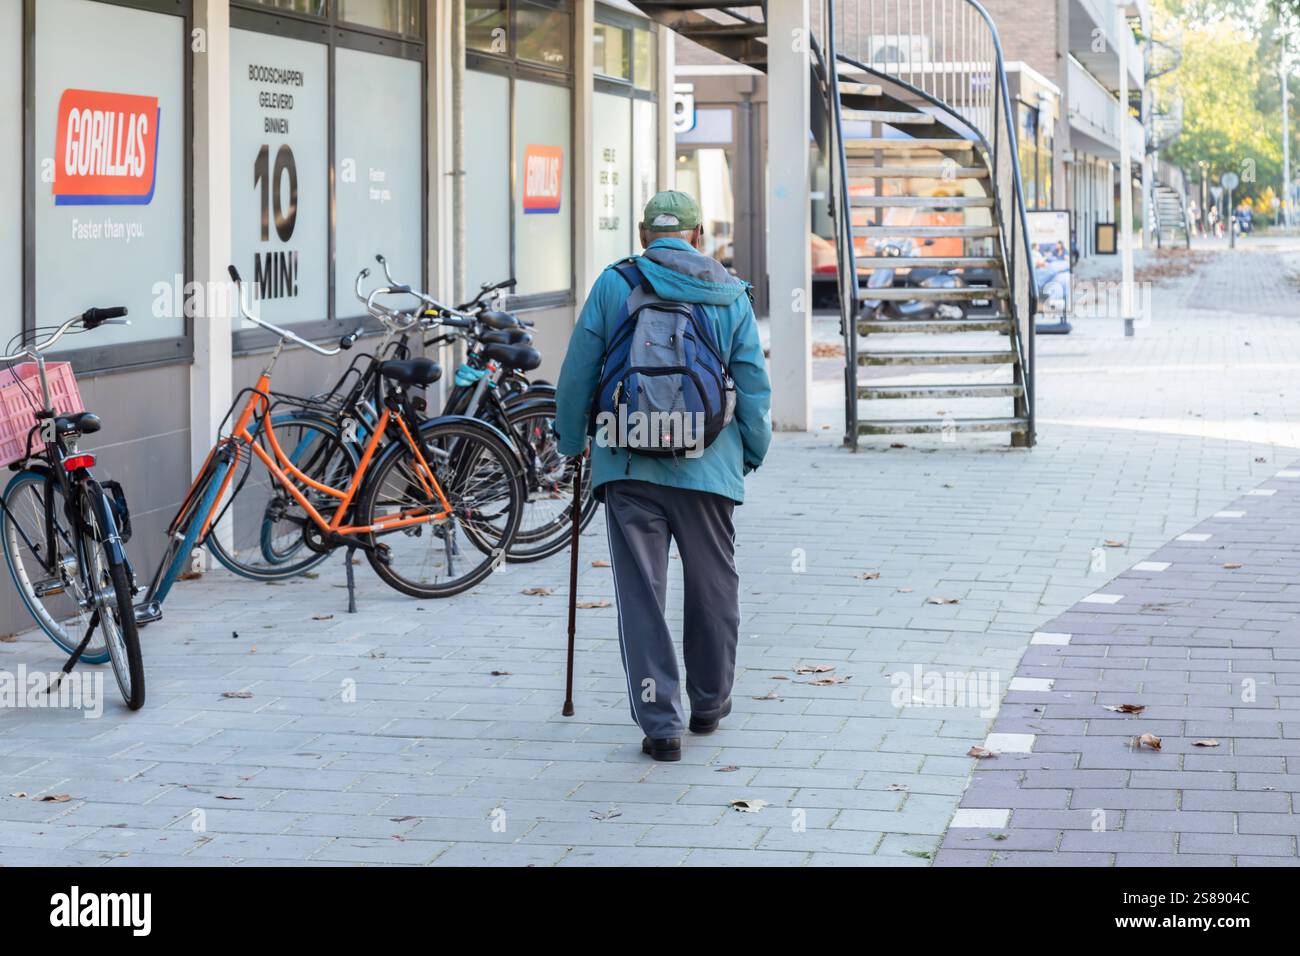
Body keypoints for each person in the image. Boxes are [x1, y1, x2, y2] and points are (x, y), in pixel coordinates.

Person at [554, 190, 772, 762]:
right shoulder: (729, 292)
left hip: (628, 464)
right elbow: (752, 384)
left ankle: (661, 725)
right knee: (713, 585)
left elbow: (579, 369)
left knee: (642, 595)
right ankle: (708, 703)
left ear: (644, 234)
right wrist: (750, 451)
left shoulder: (613, 283)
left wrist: (572, 442)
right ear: (698, 236)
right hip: (707, 463)